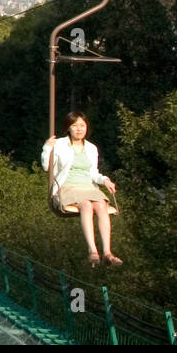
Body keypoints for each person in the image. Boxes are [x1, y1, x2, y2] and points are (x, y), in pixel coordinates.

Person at [42, 111, 121, 268]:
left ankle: (107, 252)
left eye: (82, 125)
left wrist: (105, 180)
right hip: (68, 186)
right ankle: (92, 250)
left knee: (101, 205)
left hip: (88, 186)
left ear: (87, 127)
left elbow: (93, 173)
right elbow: (46, 167)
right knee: (86, 205)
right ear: (68, 128)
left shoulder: (91, 148)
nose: (79, 129)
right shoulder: (59, 145)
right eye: (75, 125)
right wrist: (47, 148)